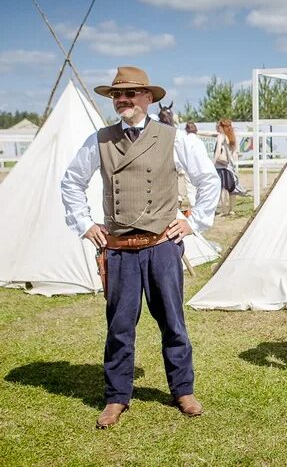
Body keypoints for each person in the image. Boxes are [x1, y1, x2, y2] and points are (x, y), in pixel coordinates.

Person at [61, 66, 221, 428]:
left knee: (172, 321)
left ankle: (183, 389)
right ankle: (117, 396)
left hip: (161, 246)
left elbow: (207, 179)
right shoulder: (99, 140)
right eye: (118, 95)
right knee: (119, 326)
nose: (123, 100)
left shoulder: (174, 138)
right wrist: (85, 224)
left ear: (148, 98)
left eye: (131, 94)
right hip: (118, 249)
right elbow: (71, 182)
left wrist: (192, 222)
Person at [214, 119, 238, 216]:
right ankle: (231, 209)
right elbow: (235, 152)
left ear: (221, 127)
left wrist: (213, 162)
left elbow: (218, 151)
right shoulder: (232, 137)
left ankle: (224, 210)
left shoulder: (221, 136)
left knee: (222, 188)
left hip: (221, 166)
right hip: (230, 166)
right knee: (232, 189)